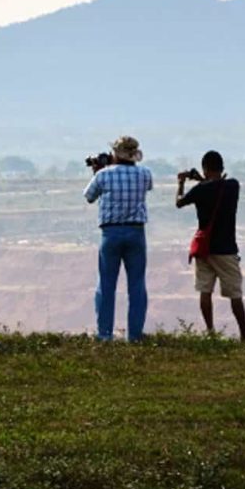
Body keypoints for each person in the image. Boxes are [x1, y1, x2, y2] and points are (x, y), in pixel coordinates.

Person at [84, 135, 153, 342]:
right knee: (137, 285)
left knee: (106, 285)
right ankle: (135, 335)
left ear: (115, 153)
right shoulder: (144, 174)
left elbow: (89, 196)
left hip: (110, 233)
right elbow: (146, 188)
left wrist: (97, 172)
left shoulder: (103, 175)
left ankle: (104, 334)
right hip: (136, 232)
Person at [177, 150, 245, 341]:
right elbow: (215, 186)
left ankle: (211, 333)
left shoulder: (200, 191)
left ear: (205, 169)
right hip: (226, 249)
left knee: (205, 291)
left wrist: (182, 183)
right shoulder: (233, 186)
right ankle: (244, 334)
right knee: (235, 293)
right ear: (222, 168)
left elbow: (179, 202)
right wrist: (201, 179)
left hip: (205, 249)